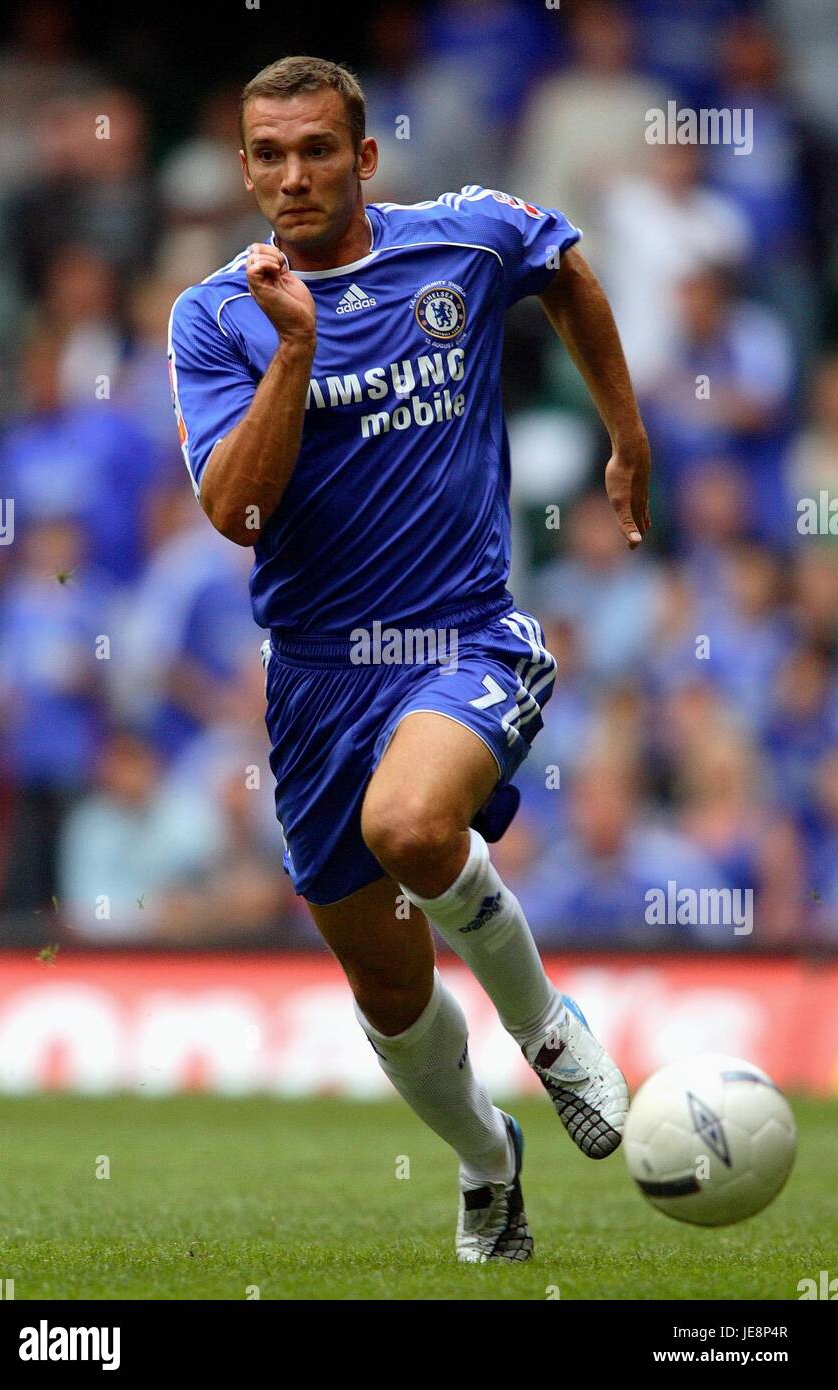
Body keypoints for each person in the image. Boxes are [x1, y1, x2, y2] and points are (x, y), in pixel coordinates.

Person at [167, 55, 651, 1263]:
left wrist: (625, 434)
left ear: (364, 157)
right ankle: (491, 1164)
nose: (294, 175)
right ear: (242, 171)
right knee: (387, 994)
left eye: (317, 149)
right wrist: (294, 353)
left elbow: (572, 270)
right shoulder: (216, 316)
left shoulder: (464, 239)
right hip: (316, 679)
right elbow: (234, 515)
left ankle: (547, 1029)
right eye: (269, 156)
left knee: (413, 825)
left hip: (463, 634)